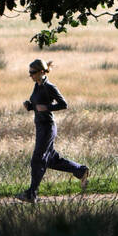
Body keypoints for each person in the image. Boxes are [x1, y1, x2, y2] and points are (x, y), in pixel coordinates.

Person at [14, 59, 88, 203]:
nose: (31, 76)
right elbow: (37, 105)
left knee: (37, 159)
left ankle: (31, 194)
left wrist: (47, 108)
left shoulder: (49, 87)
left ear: (41, 72)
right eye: (29, 73)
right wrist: (29, 106)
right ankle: (80, 170)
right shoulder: (37, 86)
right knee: (52, 160)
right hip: (40, 126)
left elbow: (63, 104)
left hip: (48, 127)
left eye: (33, 72)